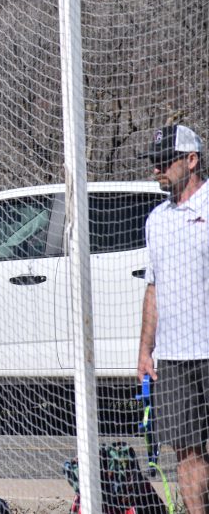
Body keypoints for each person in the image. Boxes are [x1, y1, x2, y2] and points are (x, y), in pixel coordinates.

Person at [137, 124, 209, 514]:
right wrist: (145, 350)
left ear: (192, 160)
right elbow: (154, 289)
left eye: (164, 162)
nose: (156, 171)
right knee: (186, 451)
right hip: (174, 357)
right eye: (154, 164)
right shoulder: (157, 220)